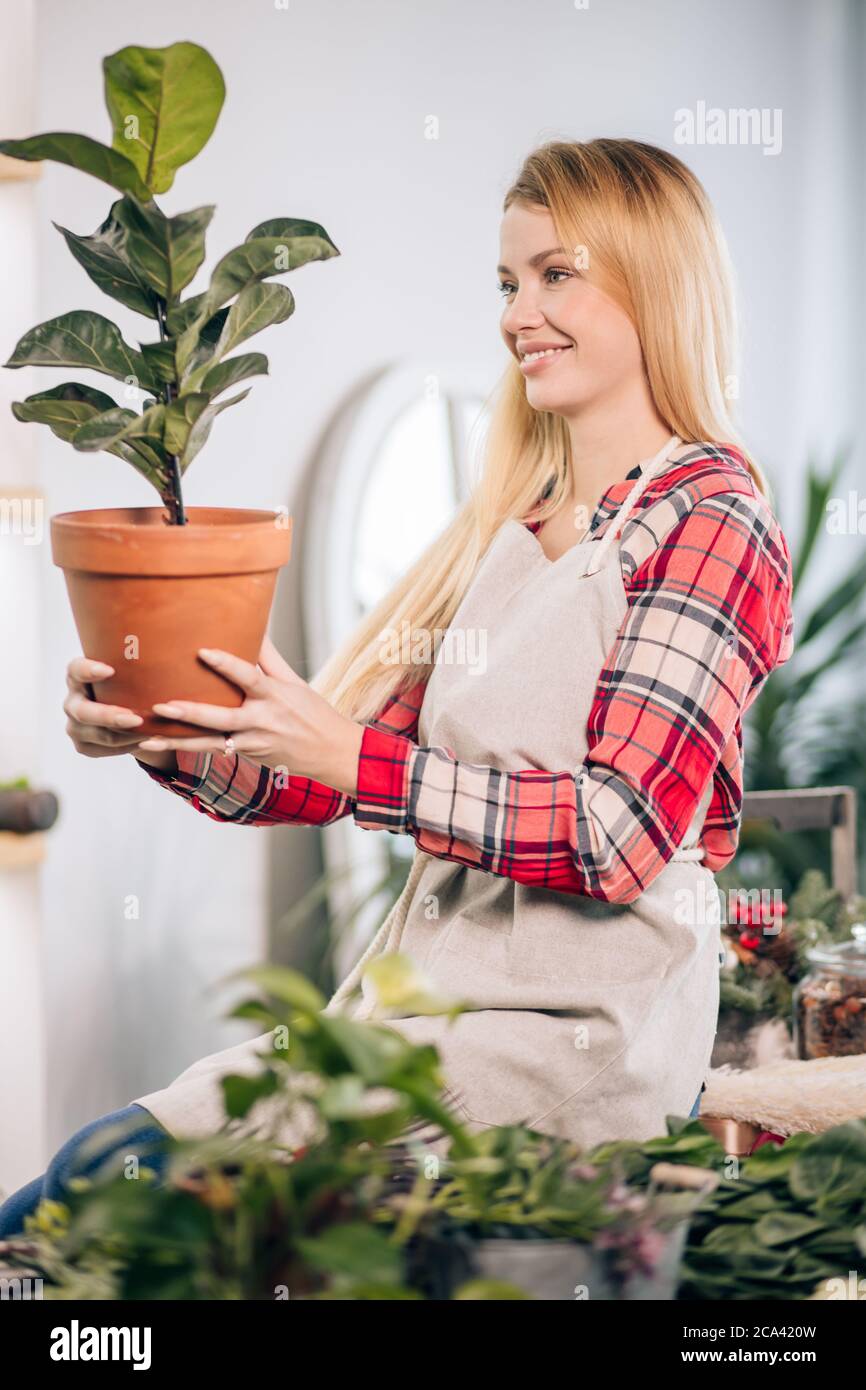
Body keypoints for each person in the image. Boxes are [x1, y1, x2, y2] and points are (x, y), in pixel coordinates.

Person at [0, 138, 793, 1237]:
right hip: (409, 1026)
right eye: (508, 283)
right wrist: (166, 730)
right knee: (85, 1177)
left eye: (556, 274)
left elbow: (617, 834)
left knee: (104, 1210)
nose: (520, 314)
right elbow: (323, 772)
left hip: (561, 1061)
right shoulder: (511, 525)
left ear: (655, 278)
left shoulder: (710, 523)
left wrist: (349, 758)